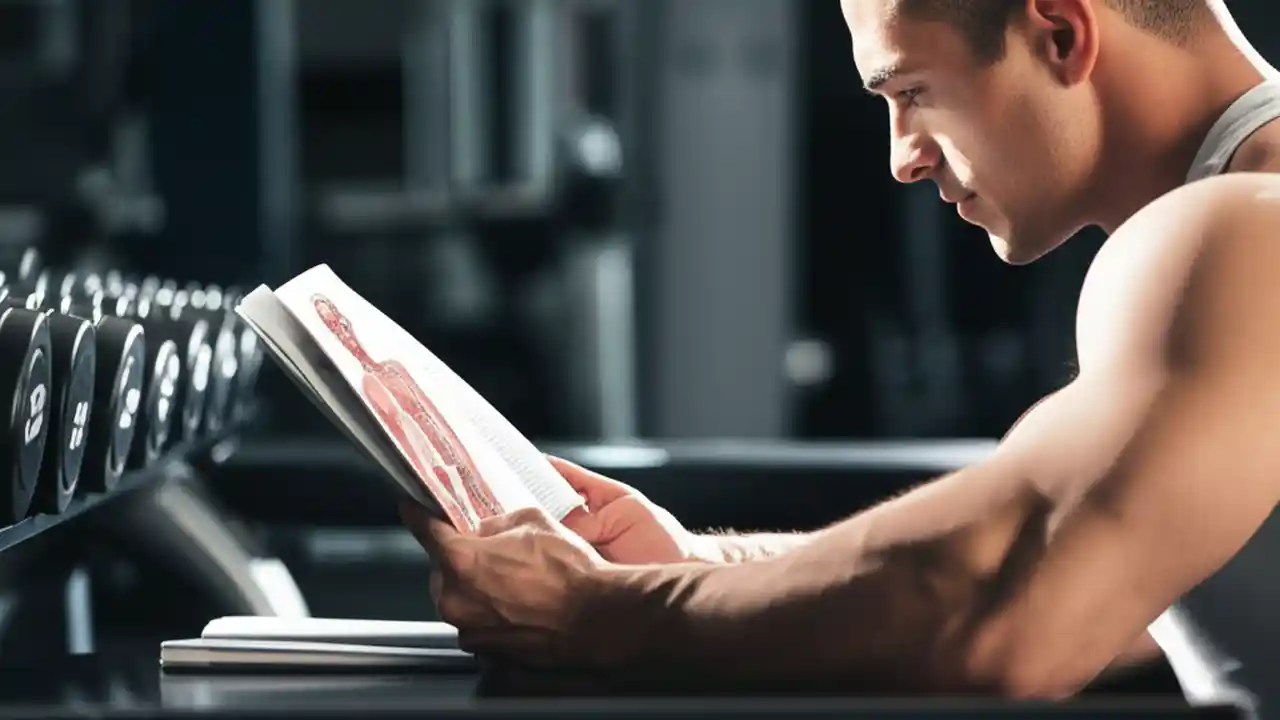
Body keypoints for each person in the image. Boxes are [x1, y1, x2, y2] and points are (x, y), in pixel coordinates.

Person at [399, 0, 1280, 715]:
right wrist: (701, 570)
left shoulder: (1236, 233)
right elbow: (1120, 588)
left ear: (1058, 32)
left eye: (916, 91)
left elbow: (1005, 609)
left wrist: (592, 613)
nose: (902, 157)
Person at [312, 294, 504, 531]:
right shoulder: (369, 385)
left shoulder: (393, 369)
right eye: (334, 329)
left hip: (444, 444)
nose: (344, 335)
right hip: (427, 458)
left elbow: (431, 412)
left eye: (340, 324)